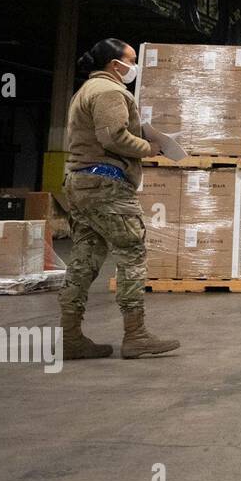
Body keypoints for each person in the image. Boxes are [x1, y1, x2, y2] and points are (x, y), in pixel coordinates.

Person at [61, 38, 180, 360]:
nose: (133, 66)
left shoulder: (85, 91)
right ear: (116, 64)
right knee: (131, 252)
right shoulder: (110, 92)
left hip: (81, 183)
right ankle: (135, 334)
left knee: (84, 259)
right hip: (107, 185)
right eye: (130, 60)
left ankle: (70, 337)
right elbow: (112, 136)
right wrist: (150, 149)